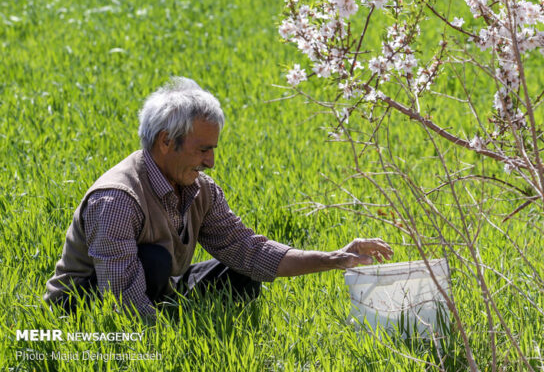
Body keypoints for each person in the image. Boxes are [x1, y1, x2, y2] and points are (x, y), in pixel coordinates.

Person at [44, 77, 393, 317]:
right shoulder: (117, 200)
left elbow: (249, 249)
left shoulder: (199, 189)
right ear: (166, 142)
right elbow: (119, 300)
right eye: (202, 150)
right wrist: (169, 344)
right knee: (154, 262)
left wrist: (335, 258)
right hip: (87, 302)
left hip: (152, 287)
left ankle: (172, 308)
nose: (210, 162)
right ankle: (171, 316)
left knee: (244, 271)